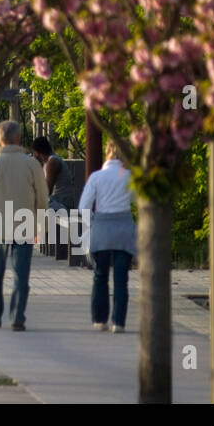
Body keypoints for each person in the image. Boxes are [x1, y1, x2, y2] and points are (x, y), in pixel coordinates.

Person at [0, 119, 48, 332]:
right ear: (18, 138)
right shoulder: (32, 164)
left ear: (0, 138)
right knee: (21, 274)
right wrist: (40, 225)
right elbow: (43, 198)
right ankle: (17, 316)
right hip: (24, 225)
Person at [78, 142, 137, 333]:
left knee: (100, 276)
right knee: (122, 278)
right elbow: (137, 199)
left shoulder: (96, 177)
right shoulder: (129, 177)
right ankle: (118, 322)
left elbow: (83, 207)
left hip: (102, 228)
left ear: (106, 153)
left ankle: (100, 319)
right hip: (124, 229)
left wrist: (95, 220)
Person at [31, 136, 76, 211]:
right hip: (58, 202)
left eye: (33, 153)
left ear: (37, 152)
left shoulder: (53, 162)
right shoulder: (49, 161)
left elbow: (47, 190)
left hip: (61, 204)